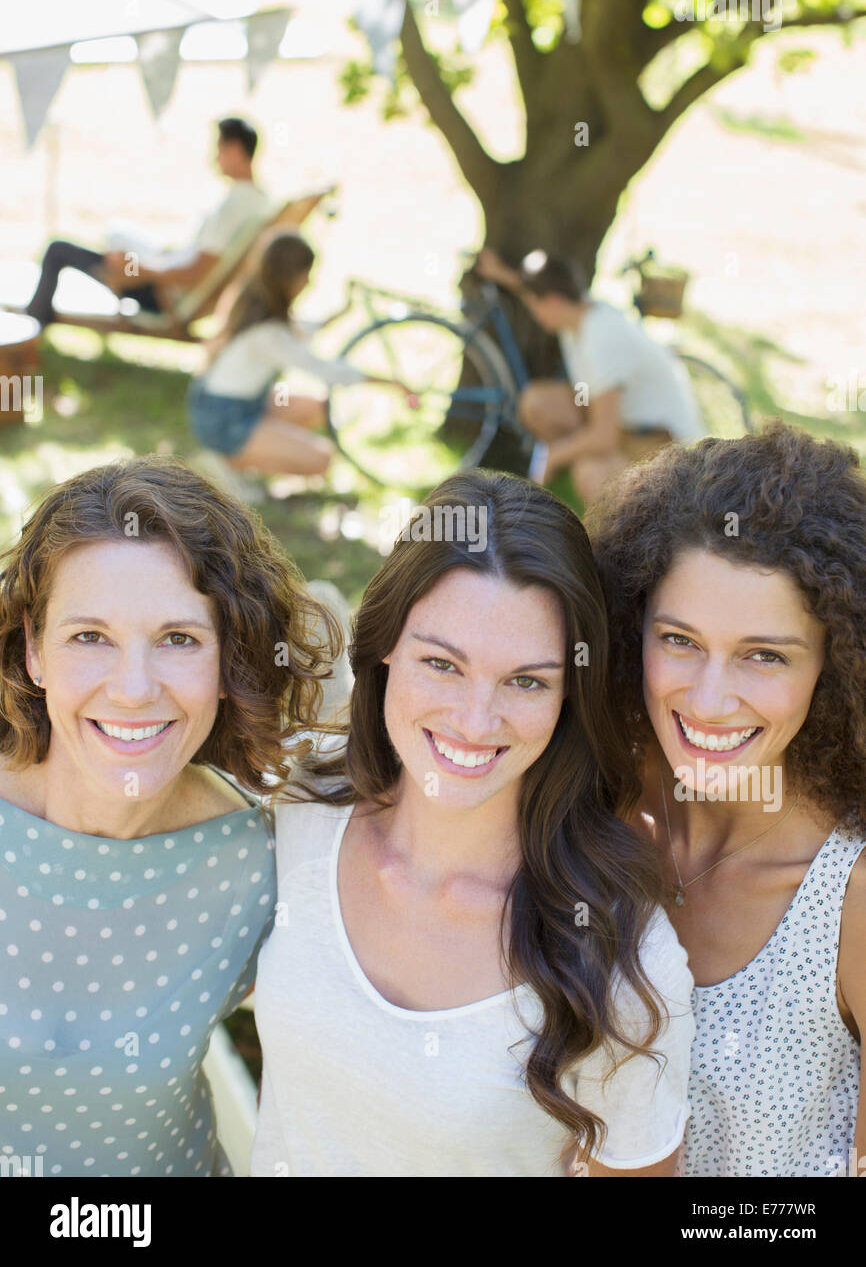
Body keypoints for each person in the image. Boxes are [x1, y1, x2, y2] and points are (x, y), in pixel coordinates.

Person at [250, 469, 695, 1177]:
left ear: (568, 696)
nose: (476, 721)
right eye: (442, 664)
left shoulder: (616, 959)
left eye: (527, 681)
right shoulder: (299, 808)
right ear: (386, 645)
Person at [0, 455, 341, 1176]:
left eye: (179, 639)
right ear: (34, 650)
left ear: (230, 661)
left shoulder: (259, 866)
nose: (132, 690)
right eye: (89, 636)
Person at [588, 422, 866, 1177]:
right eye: (679, 640)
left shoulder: (851, 894)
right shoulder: (590, 802)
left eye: (764, 656)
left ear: (835, 668)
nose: (709, 701)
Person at [475, 247, 705, 504]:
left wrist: (553, 455)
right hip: (624, 420)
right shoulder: (578, 310)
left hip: (661, 443)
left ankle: (617, 524)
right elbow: (531, 288)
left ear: (553, 302)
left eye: (535, 307)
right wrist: (500, 273)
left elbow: (604, 436)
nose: (534, 314)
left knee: (590, 472)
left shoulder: (599, 341)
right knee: (536, 402)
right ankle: (592, 458)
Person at [188, 232, 414, 481]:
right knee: (322, 460)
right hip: (225, 421)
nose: (309, 283)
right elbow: (326, 369)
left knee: (321, 407)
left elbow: (297, 331)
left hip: (239, 403)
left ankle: (250, 450)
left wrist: (340, 314)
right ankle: (228, 461)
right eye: (306, 275)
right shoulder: (268, 333)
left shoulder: (254, 302)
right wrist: (391, 383)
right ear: (290, 278)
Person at [25, 118, 273, 331]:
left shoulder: (233, 208)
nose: (214, 157)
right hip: (163, 270)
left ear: (235, 149)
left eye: (219, 149)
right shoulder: (259, 202)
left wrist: (141, 270)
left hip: (157, 289)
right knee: (118, 236)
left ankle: (30, 329)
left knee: (58, 250)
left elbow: (199, 272)